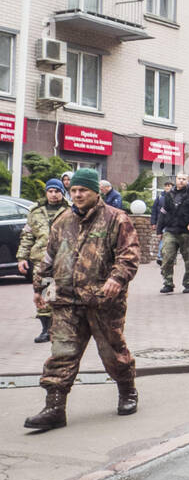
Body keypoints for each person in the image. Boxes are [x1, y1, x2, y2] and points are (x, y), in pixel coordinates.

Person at [24, 168, 141, 431]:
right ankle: (54, 408)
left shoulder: (116, 219)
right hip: (66, 301)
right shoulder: (62, 220)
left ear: (95, 192)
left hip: (103, 301)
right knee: (61, 354)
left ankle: (127, 391)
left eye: (83, 190)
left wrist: (116, 278)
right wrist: (41, 289)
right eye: (74, 190)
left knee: (112, 353)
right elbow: (49, 257)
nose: (77, 194)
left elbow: (129, 255)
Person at [16, 179, 71, 343]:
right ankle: (46, 330)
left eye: (57, 191)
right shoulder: (36, 211)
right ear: (46, 193)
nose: (53, 194)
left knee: (65, 293)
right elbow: (27, 236)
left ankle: (64, 329)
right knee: (46, 292)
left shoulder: (71, 210)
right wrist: (22, 258)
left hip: (65, 259)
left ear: (62, 192)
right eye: (50, 191)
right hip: (42, 259)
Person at [158, 173, 189, 294]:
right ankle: (168, 283)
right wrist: (159, 230)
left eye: (184, 179)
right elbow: (163, 212)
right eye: (179, 179)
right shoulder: (169, 195)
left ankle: (188, 283)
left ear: (188, 181)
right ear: (175, 180)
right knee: (167, 257)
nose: (181, 181)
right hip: (171, 230)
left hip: (187, 232)